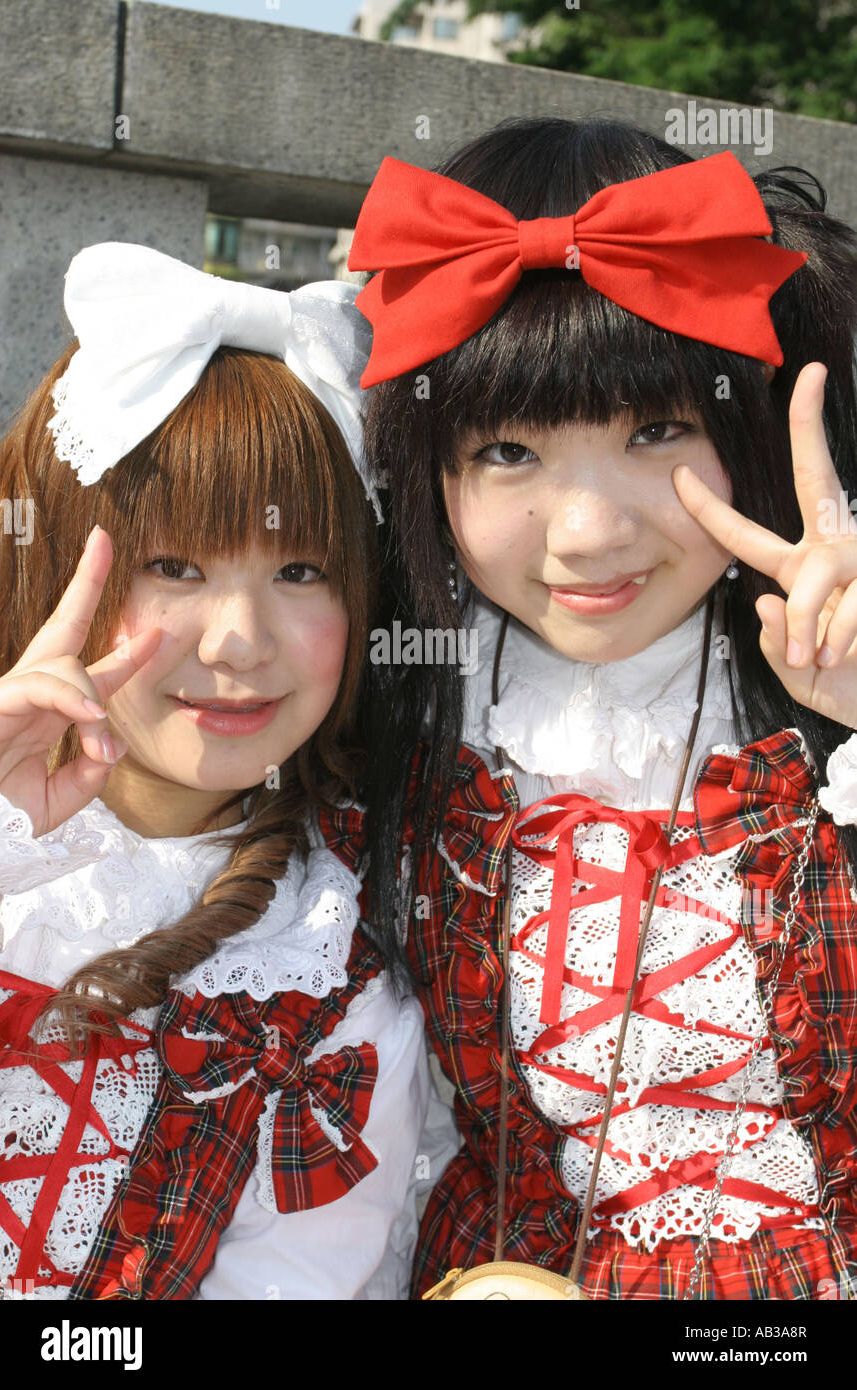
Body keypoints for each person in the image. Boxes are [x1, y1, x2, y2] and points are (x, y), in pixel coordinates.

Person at [339, 116, 857, 1300]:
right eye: (508, 451)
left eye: (657, 430)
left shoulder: (811, 701)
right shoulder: (403, 711)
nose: (588, 534)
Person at [0, 243, 427, 1301]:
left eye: (299, 571)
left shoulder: (343, 964)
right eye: (174, 566)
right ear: (51, 568)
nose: (238, 641)